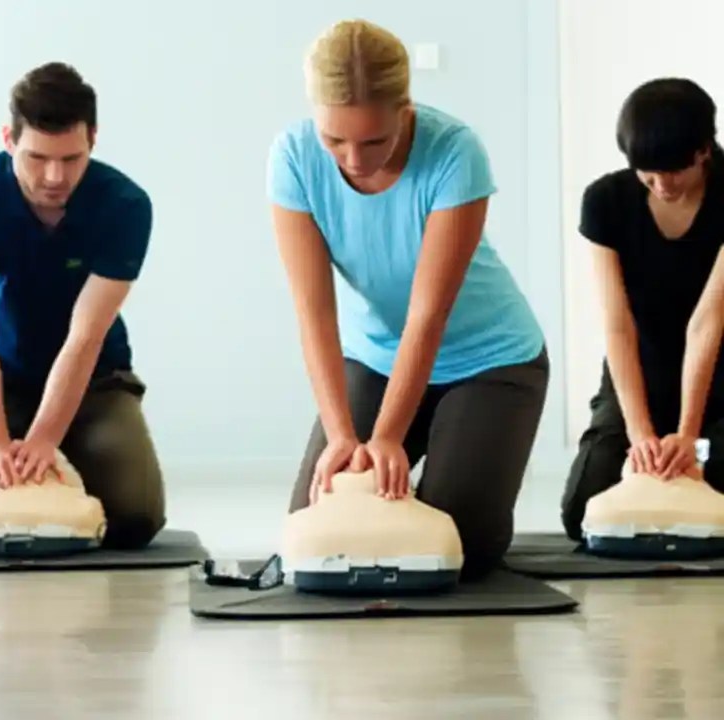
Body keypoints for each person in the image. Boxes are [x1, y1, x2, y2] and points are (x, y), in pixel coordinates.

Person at [268, 20, 549, 578]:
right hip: (376, 355)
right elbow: (314, 311)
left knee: (459, 543)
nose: (352, 158)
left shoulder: (454, 151)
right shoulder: (293, 157)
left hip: (491, 359)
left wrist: (389, 436)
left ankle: (462, 477)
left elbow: (428, 313)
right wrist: (346, 435)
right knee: (321, 524)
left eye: (374, 140)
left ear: (405, 108)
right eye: (335, 140)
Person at [0, 61, 165, 549]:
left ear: (93, 140)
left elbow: (86, 337)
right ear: (8, 139)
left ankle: (70, 453)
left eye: (71, 158)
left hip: (97, 381)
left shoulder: (125, 205)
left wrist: (43, 440)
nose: (55, 177)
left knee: (137, 517)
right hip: (3, 378)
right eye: (37, 158)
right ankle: (30, 453)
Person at [561, 78, 724, 539]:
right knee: (583, 512)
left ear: (703, 151)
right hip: (639, 368)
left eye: (673, 171)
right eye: (647, 173)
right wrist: (641, 436)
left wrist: (689, 435)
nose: (661, 185)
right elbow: (617, 326)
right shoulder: (605, 202)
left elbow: (707, 323)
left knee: (705, 490)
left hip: (719, 373)